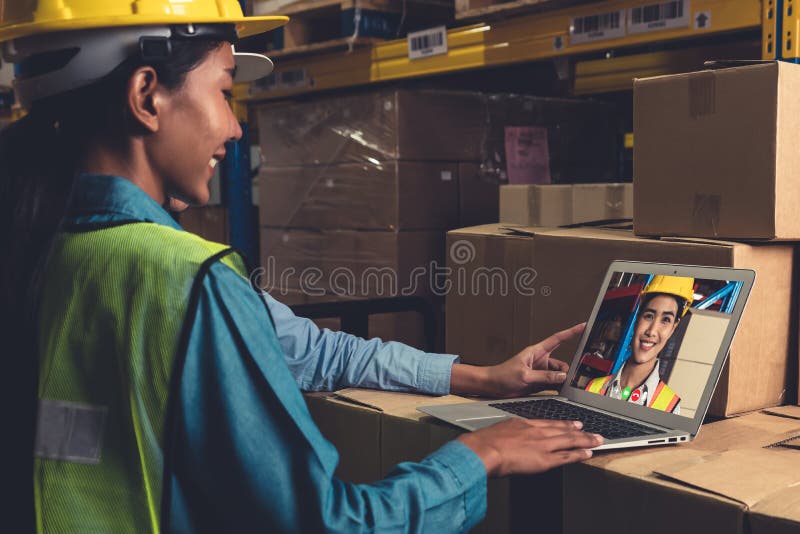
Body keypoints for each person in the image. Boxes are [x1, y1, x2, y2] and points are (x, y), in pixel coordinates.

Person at [0, 1, 603, 532]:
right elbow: (324, 524)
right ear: (146, 96)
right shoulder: (189, 279)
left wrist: (484, 379)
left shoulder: (42, 243)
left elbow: (312, 350)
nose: (235, 128)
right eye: (225, 93)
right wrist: (479, 457)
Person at [585, 275, 695, 414]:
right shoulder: (593, 388)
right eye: (649, 316)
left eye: (666, 320)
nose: (652, 331)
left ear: (673, 328)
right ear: (637, 319)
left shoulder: (670, 407)